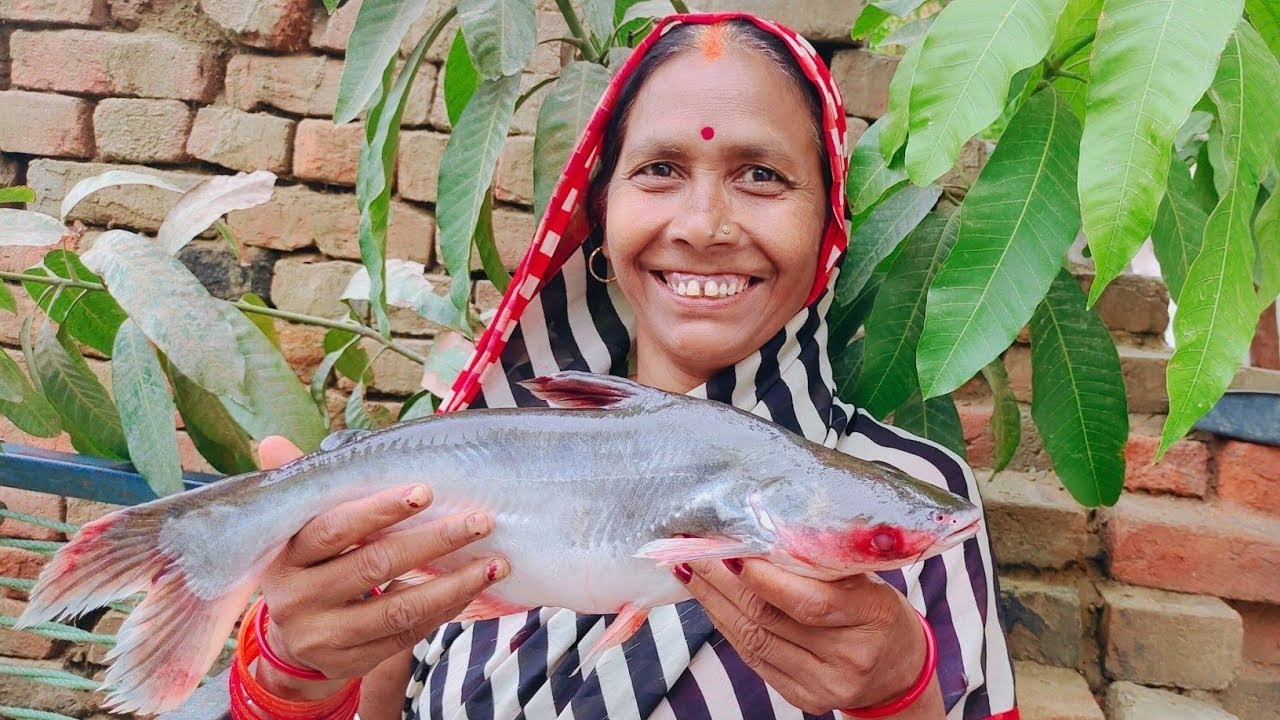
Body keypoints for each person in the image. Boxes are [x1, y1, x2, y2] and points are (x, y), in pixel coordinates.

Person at [240, 12, 1019, 720]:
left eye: (762, 175)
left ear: (829, 226)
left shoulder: (910, 502)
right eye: (659, 170)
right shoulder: (450, 470)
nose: (704, 226)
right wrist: (292, 677)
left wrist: (897, 699)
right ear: (602, 217)